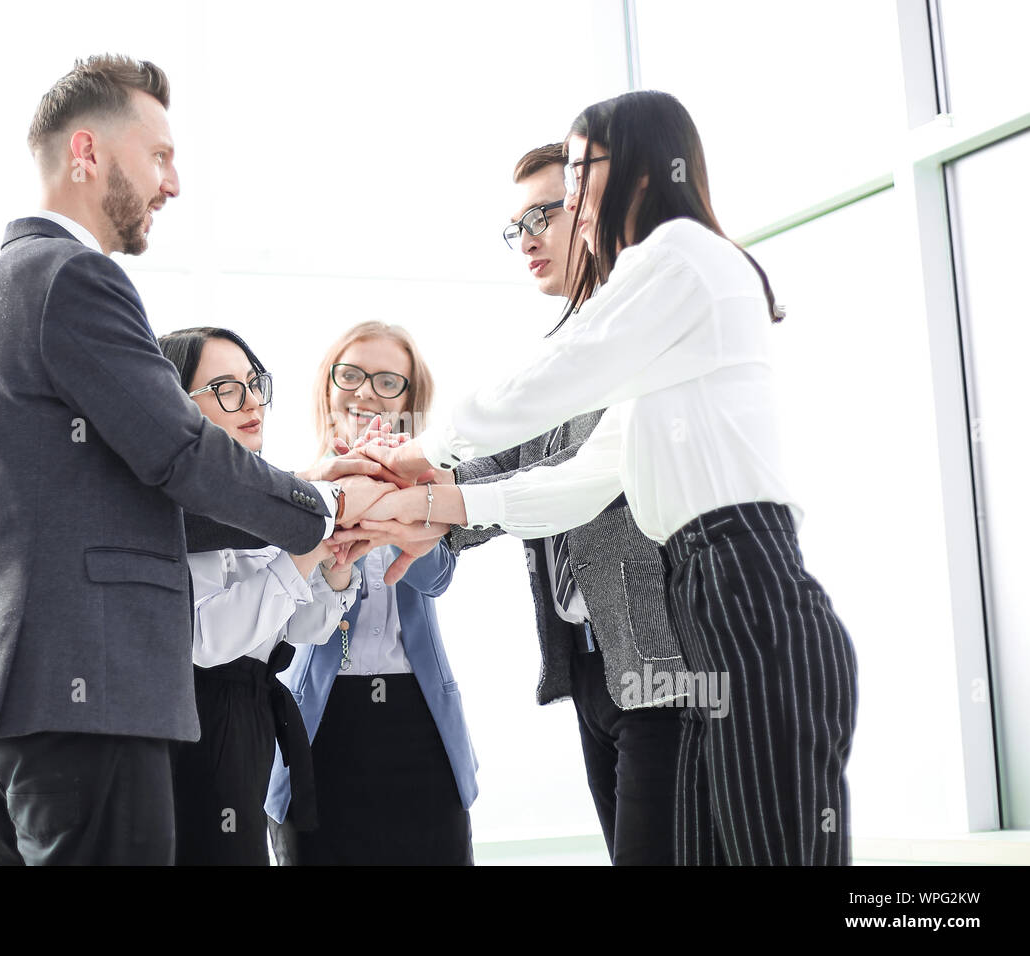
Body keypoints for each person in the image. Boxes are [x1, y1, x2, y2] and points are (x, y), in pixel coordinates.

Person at [356, 91, 859, 866]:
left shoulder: (674, 259)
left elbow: (556, 380)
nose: (574, 201)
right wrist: (433, 498)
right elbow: (581, 480)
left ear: (643, 169)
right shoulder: (658, 330)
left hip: (745, 589)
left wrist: (428, 453)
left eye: (581, 173)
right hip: (714, 596)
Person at [0, 55, 389, 866]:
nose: (173, 184)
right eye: (159, 156)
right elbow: (181, 453)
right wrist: (320, 511)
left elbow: (116, 498)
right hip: (91, 699)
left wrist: (309, 502)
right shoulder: (75, 276)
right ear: (87, 153)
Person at [439, 142, 688, 865]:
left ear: (593, 213)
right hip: (590, 663)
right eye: (515, 227)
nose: (528, 240)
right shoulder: (564, 351)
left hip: (662, 659)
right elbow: (503, 459)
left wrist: (429, 502)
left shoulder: (642, 334)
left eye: (542, 215)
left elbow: (577, 476)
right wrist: (403, 507)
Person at [265, 322, 478, 866]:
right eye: (352, 375)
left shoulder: (433, 482)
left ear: (410, 398)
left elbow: (435, 578)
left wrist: (406, 504)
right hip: (321, 717)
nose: (365, 392)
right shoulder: (287, 485)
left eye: (388, 382)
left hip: (418, 719)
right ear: (329, 386)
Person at [156, 327, 365, 865]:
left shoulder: (263, 502)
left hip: (250, 712)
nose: (252, 402)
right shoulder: (169, 511)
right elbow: (208, 640)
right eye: (226, 388)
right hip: (200, 718)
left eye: (254, 383)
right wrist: (305, 549)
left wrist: (332, 567)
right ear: (176, 403)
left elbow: (302, 630)